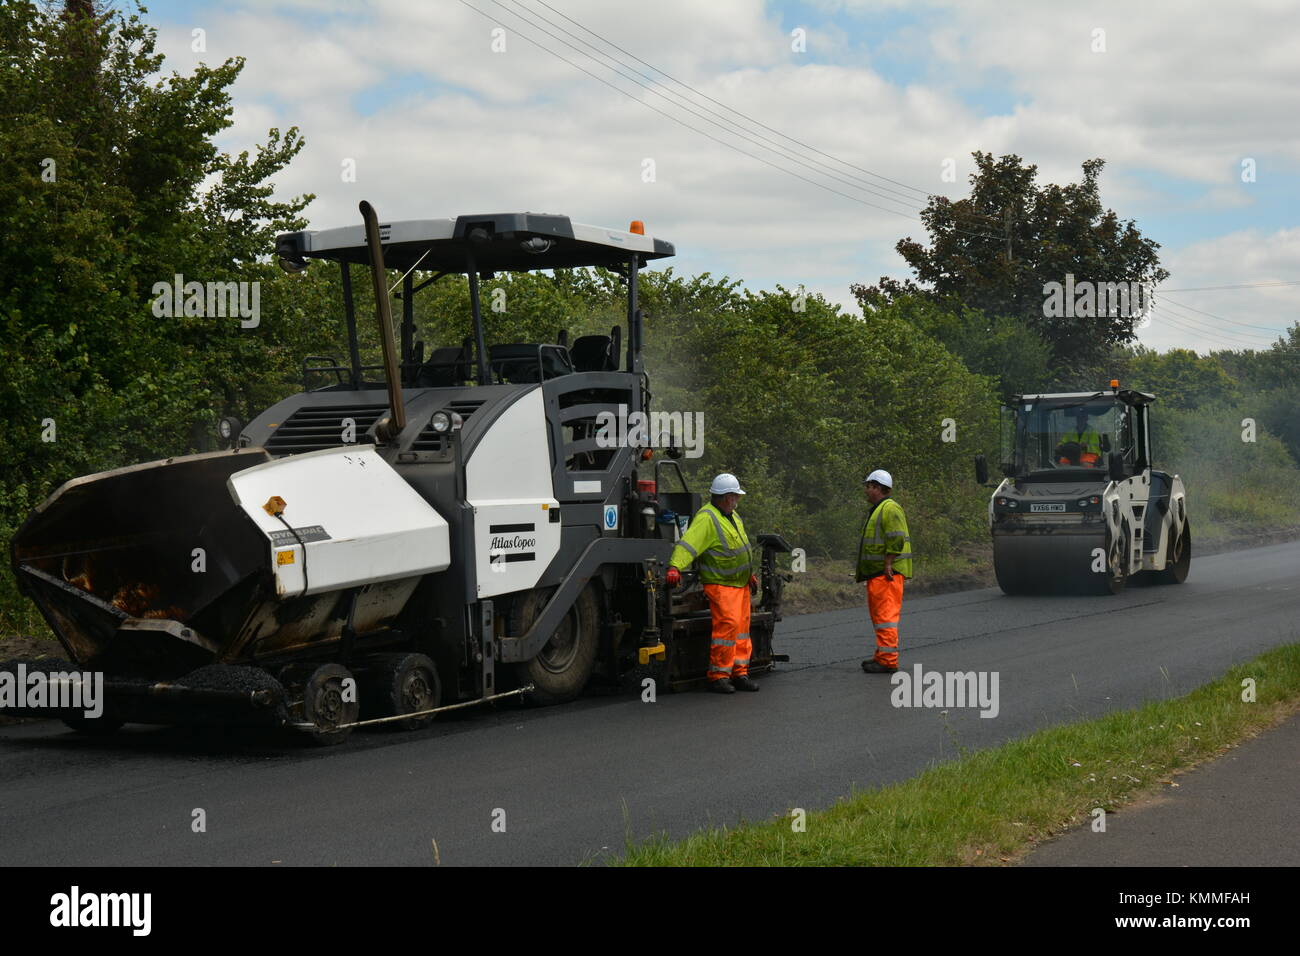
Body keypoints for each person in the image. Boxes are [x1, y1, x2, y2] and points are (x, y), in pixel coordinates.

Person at [665, 473, 761, 694]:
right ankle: (718, 676)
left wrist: (749, 574)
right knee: (726, 627)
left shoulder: (732, 516)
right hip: (721, 584)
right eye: (735, 496)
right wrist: (674, 567)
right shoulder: (707, 518)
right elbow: (689, 544)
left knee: (741, 629)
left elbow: (740, 548)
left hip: (739, 584)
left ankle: (740, 673)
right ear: (726, 497)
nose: (737, 500)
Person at [856, 469, 912, 674]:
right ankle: (882, 655)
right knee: (880, 617)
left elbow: (896, 537)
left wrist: (888, 562)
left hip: (887, 573)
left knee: (886, 616)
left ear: (878, 488)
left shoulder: (890, 509)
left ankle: (888, 659)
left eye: (869, 487)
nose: (866, 491)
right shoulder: (881, 508)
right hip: (878, 573)